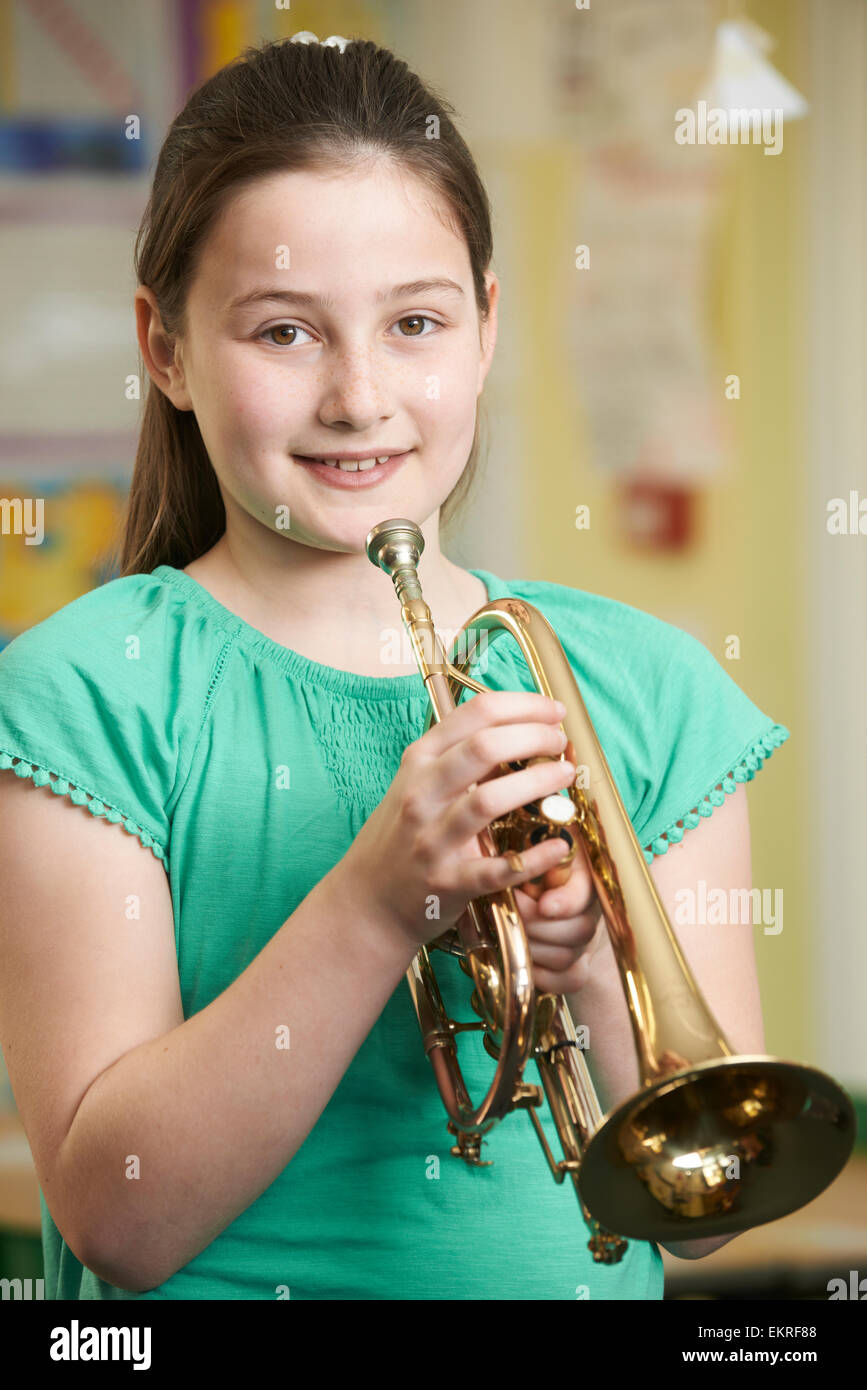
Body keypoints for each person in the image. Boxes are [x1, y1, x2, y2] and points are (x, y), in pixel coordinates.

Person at [0, 34, 789, 1301]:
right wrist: (377, 905)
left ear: (485, 327)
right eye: (284, 332)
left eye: (414, 321)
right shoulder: (86, 690)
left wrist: (590, 962)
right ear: (165, 349)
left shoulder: (653, 690)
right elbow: (121, 1221)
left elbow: (707, 1209)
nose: (360, 395)